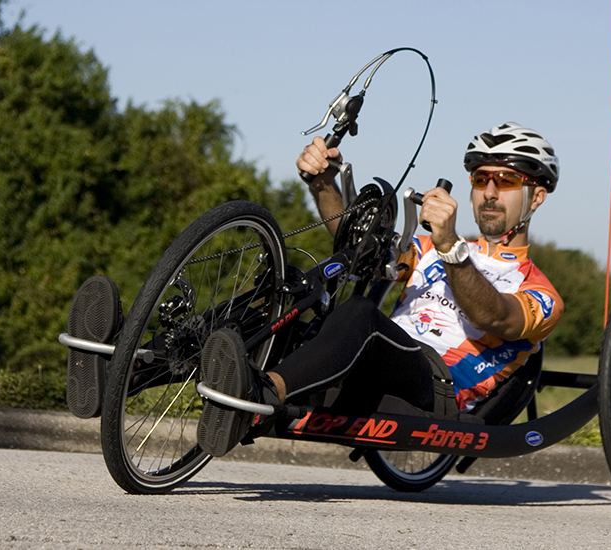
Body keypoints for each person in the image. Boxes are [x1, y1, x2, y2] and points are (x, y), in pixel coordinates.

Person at [197, 122, 566, 458]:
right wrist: (323, 184)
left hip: (432, 389)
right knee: (287, 297)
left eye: (506, 180)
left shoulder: (541, 293)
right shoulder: (427, 249)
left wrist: (451, 247)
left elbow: (494, 317)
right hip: (364, 363)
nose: (489, 192)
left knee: (362, 314)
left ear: (536, 196)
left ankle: (262, 394)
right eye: (481, 179)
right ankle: (167, 358)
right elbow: (362, 248)